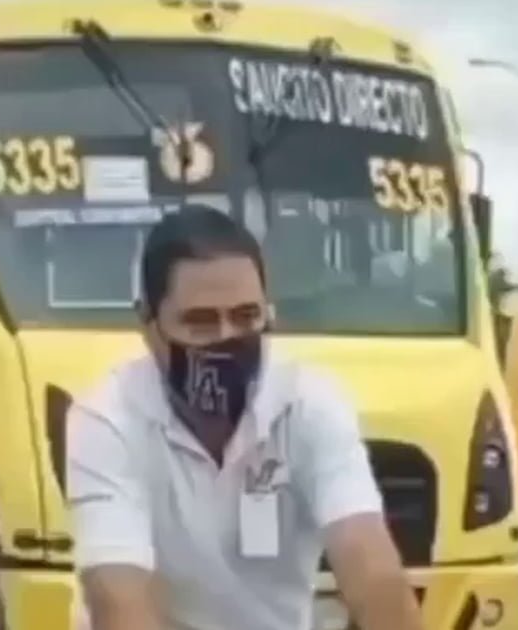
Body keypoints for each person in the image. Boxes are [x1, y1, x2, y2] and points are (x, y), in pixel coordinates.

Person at [66, 204, 424, 630]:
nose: (226, 338)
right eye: (200, 322)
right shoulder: (106, 419)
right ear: (146, 323)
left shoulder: (308, 405)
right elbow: (118, 600)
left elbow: (372, 566)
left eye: (245, 316)